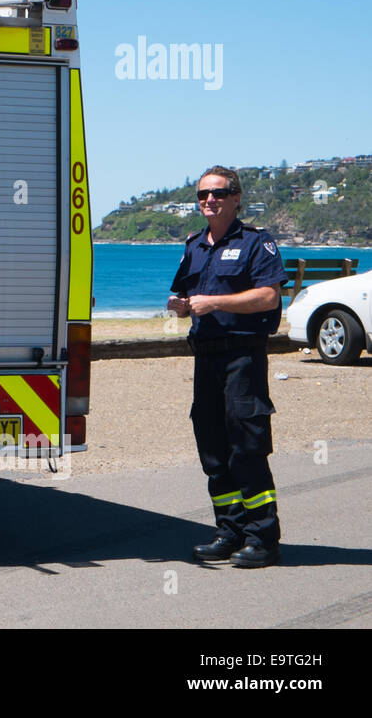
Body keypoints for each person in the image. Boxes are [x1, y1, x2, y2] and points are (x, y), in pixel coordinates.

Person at [167, 165, 287, 568]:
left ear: (236, 198)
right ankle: (230, 531)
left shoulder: (256, 243)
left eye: (218, 193)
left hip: (242, 356)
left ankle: (263, 538)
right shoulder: (195, 245)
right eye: (202, 195)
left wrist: (215, 302)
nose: (209, 201)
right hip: (206, 357)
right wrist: (180, 306)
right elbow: (183, 293)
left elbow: (269, 297)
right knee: (214, 450)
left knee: (246, 447)